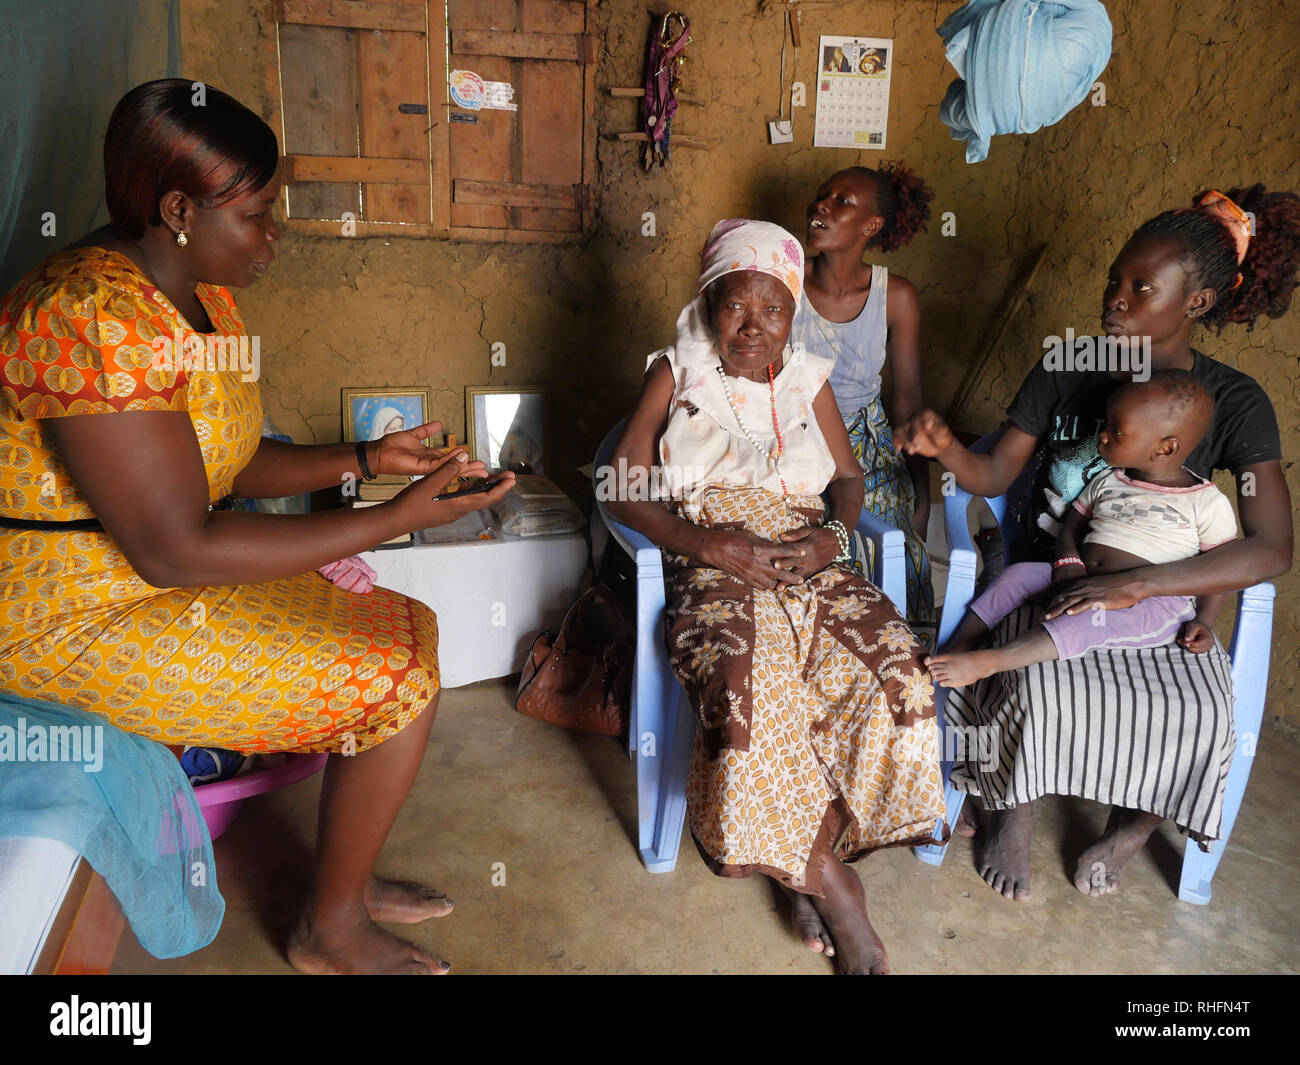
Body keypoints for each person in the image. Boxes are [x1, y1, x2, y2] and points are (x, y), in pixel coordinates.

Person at [0, 79, 515, 973]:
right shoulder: (89, 316)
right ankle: (328, 929)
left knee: (409, 636)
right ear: (178, 210)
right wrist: (390, 522)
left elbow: (224, 462)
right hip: (67, 615)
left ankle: (339, 887)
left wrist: (363, 461)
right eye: (260, 214)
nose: (275, 238)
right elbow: (173, 548)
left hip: (148, 569)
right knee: (389, 675)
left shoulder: (203, 294)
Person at [894, 184, 1297, 900]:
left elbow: (1269, 546)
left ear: (1195, 303)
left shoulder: (1234, 404)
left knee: (1199, 708)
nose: (1115, 298)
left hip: (1160, 604)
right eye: (1116, 281)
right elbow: (993, 472)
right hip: (1052, 572)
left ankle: (1134, 827)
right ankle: (1010, 810)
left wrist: (1142, 585)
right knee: (1038, 677)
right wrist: (947, 448)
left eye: (1142, 288)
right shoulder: (1067, 364)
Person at [606, 219, 946, 974]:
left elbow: (851, 480)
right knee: (750, 695)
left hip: (807, 551)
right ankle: (833, 885)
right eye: (736, 306)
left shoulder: (807, 377)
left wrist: (832, 536)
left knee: (894, 674)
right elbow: (620, 485)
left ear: (793, 314)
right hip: (713, 553)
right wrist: (704, 545)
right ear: (707, 301)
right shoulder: (677, 368)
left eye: (774, 309)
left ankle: (796, 864)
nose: (754, 327)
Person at [926, 371, 1236, 687]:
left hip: (1153, 602)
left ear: (1165, 448)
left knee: (1088, 620)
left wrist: (1205, 621)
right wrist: (1068, 561)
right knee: (1015, 576)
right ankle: (959, 644)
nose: (1103, 435)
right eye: (1106, 424)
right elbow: (1072, 525)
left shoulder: (1206, 502)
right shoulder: (1109, 480)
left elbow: (1224, 569)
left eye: (1117, 431)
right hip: (1085, 578)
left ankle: (992, 661)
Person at [794, 163, 936, 638]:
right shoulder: (783, 285)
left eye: (842, 202)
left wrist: (921, 493)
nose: (822, 205)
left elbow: (908, 401)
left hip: (868, 447)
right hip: (795, 442)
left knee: (898, 552)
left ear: (871, 226)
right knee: (812, 553)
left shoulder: (894, 297)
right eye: (822, 195)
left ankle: (899, 672)